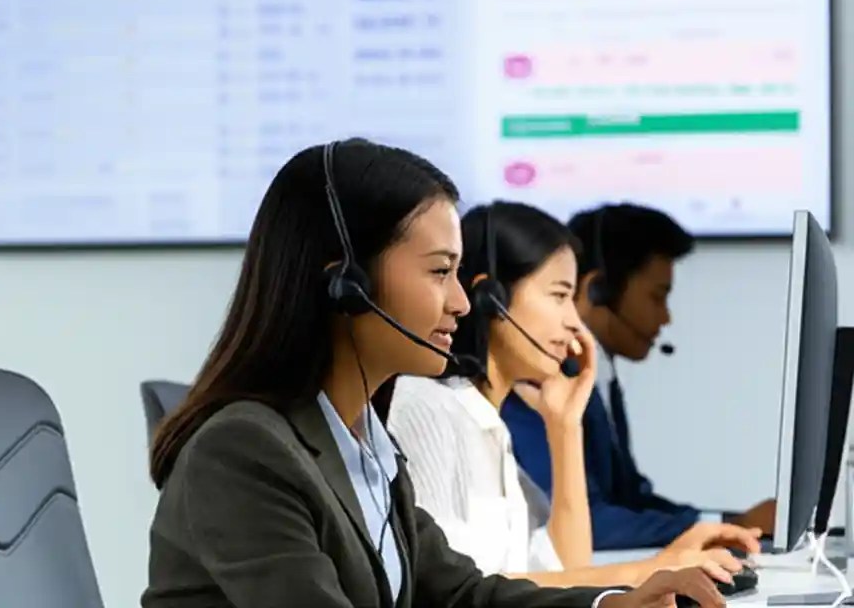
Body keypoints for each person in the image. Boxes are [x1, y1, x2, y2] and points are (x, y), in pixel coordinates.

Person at [143, 139, 728, 608]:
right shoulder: (245, 451)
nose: (463, 303)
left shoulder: (367, 443)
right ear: (346, 284)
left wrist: (611, 605)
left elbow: (460, 593)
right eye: (440, 272)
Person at [380, 201, 757, 589]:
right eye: (559, 296)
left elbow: (565, 568)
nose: (575, 324)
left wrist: (565, 428)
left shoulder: (487, 425)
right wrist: (651, 569)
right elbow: (457, 593)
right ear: (491, 299)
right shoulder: (427, 407)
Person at [502, 203, 775, 550]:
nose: (665, 318)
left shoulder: (601, 376)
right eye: (657, 297)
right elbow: (590, 521)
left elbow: (630, 498)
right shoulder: (543, 380)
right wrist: (724, 526)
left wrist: (725, 525)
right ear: (599, 290)